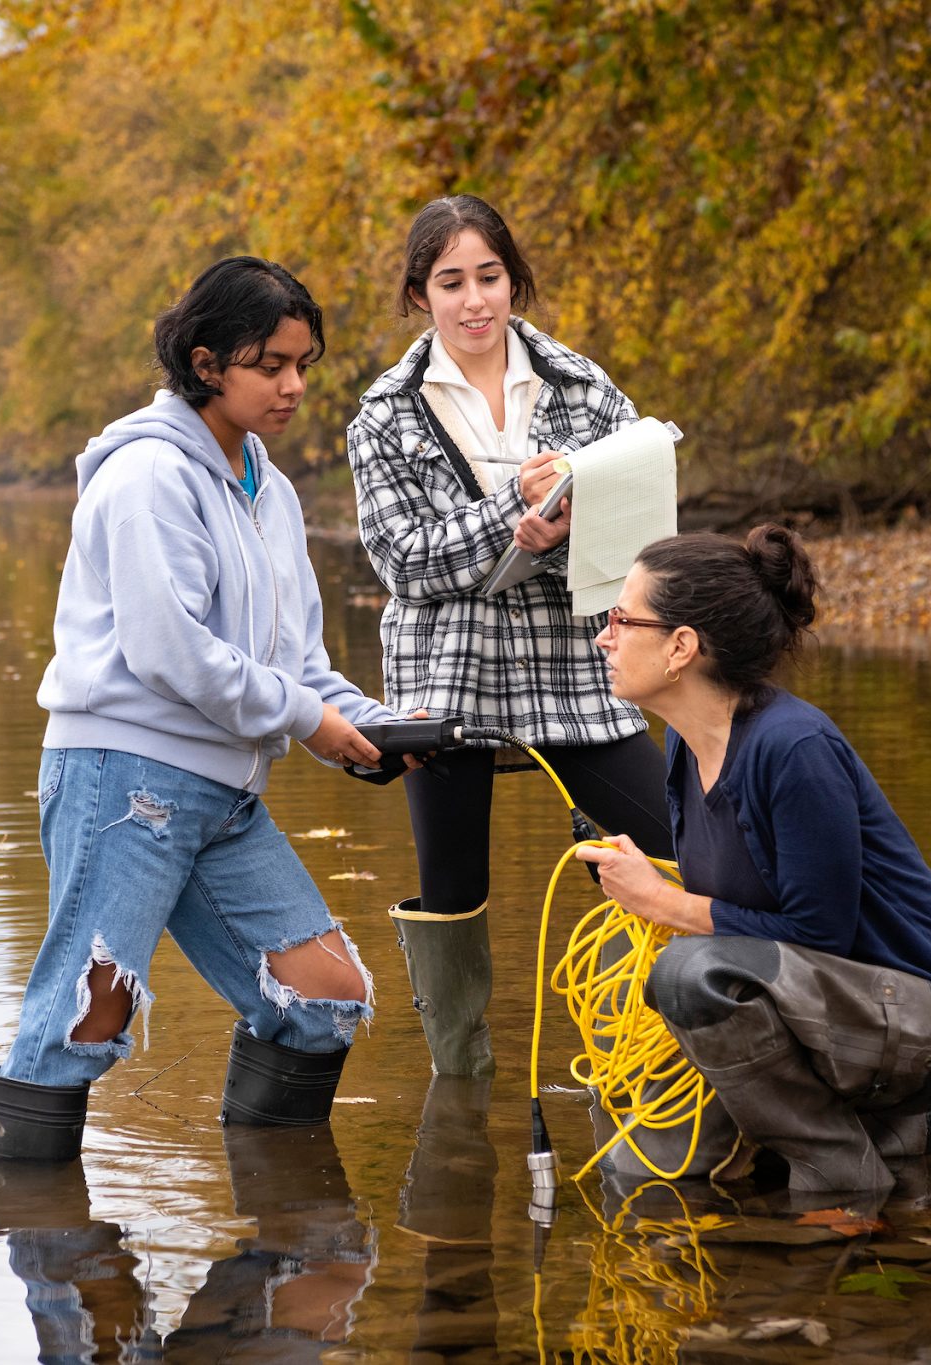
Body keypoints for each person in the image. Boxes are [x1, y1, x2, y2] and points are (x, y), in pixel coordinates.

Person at [0, 256, 404, 1162]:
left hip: (223, 795)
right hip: (122, 779)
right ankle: (40, 1247)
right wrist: (305, 720)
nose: (293, 387)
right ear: (209, 364)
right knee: (84, 1018)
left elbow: (299, 665)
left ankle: (278, 1235)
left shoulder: (271, 492)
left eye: (302, 365)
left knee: (323, 998)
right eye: (271, 366)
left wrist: (375, 726)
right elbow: (169, 651)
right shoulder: (147, 479)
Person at [347, 194, 675, 1077]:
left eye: (488, 276)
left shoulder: (586, 387)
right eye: (449, 282)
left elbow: (643, 524)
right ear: (420, 294)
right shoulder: (382, 415)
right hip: (445, 677)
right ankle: (462, 1086)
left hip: (579, 669)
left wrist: (572, 532)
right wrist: (510, 517)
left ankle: (644, 1039)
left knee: (677, 843)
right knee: (454, 888)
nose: (473, 301)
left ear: (514, 278)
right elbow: (405, 563)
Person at [574, 526, 931, 1194]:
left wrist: (660, 898)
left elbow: (817, 933)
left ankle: (840, 1173)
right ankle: (897, 1135)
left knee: (688, 972)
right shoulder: (685, 745)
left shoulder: (794, 748)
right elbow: (741, 914)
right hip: (826, 1013)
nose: (605, 635)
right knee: (650, 1169)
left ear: (682, 646)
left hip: (927, 1028)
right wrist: (646, 898)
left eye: (623, 618)